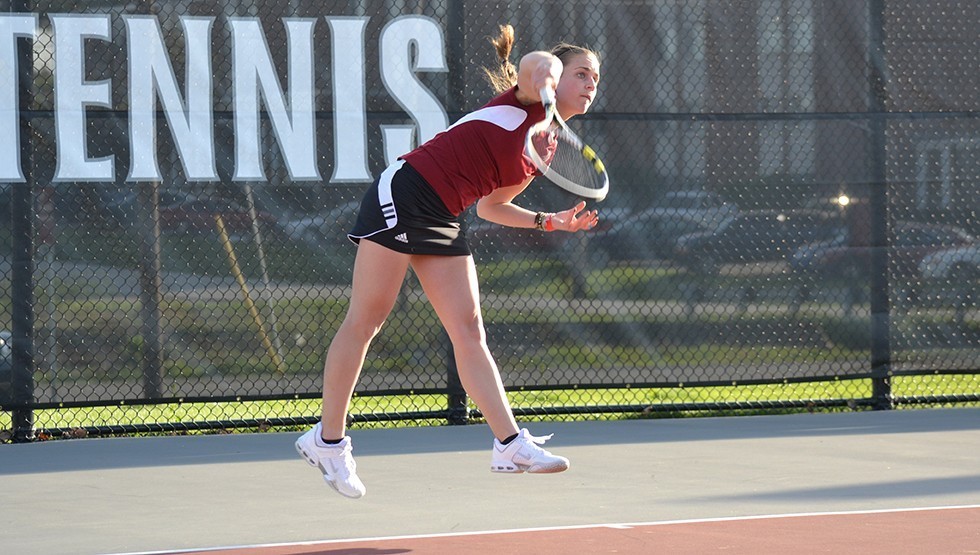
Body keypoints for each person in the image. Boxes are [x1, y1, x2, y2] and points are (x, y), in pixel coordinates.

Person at [295, 24, 602, 498]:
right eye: (582, 73)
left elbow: (491, 206)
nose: (590, 84)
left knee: (469, 328)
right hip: (406, 191)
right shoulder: (525, 96)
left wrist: (549, 222)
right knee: (366, 321)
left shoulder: (545, 143)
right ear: (559, 79)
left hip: (443, 213)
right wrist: (547, 78)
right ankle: (327, 442)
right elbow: (539, 63)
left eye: (595, 79)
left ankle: (509, 444)